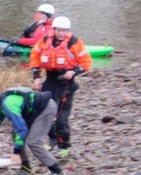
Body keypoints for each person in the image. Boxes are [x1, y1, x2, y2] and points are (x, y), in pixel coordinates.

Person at [0, 83, 66, 175]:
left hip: (46, 109)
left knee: (34, 142)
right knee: (15, 134)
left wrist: (16, 152)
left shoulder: (8, 105)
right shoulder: (0, 105)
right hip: (34, 111)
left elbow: (22, 130)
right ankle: (26, 168)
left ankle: (57, 172)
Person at [29, 16, 93, 157]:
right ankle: (52, 139)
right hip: (50, 80)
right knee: (44, 112)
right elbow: (35, 57)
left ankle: (64, 145)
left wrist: (73, 72)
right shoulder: (46, 40)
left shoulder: (74, 43)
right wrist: (37, 77)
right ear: (54, 30)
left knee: (61, 117)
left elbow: (86, 63)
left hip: (66, 84)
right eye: (59, 30)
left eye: (64, 31)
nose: (62, 33)